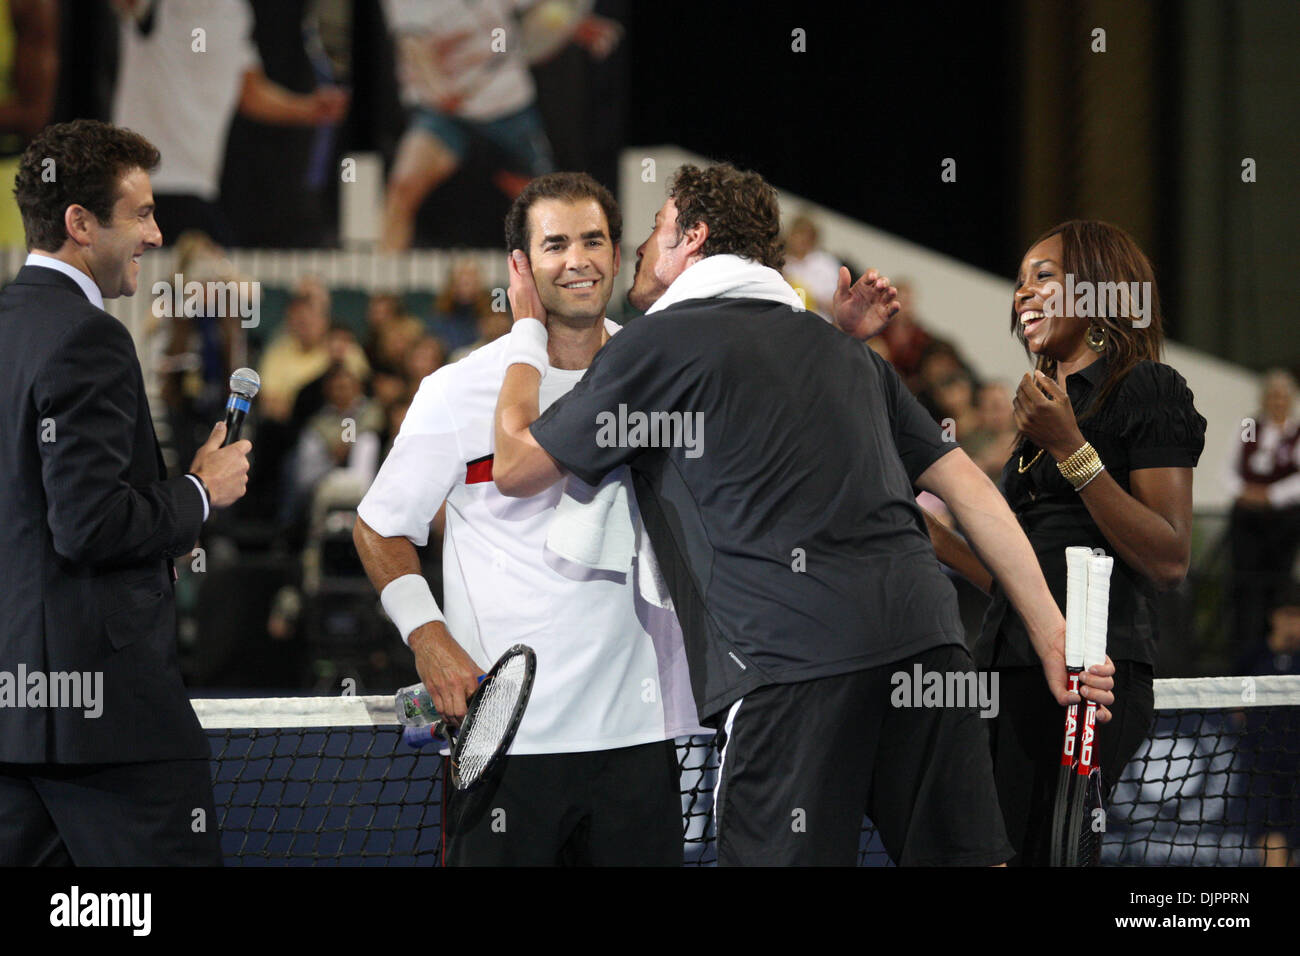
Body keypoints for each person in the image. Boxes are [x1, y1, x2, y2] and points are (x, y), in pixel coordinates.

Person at [491, 162, 1114, 866]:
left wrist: (525, 332)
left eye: (657, 229)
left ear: (691, 240)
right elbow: (968, 488)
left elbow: (515, 467)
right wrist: (1052, 630)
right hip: (929, 646)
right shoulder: (844, 354)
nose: (637, 248)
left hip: (791, 669)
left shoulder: (655, 344)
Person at [354, 172, 704, 865]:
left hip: (639, 740)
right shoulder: (457, 391)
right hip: (511, 743)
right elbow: (379, 526)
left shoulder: (663, 375)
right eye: (556, 244)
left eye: (594, 240)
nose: (579, 260)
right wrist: (428, 638)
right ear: (520, 265)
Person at [0, 119, 252, 864]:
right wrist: (199, 494)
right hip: (104, 726)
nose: (155, 232)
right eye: (140, 213)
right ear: (80, 223)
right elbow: (88, 523)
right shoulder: (90, 337)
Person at [924, 219, 1206, 865]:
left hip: (1088, 675)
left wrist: (1070, 449)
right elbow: (1019, 580)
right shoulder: (1040, 420)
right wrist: (938, 543)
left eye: (1044, 276)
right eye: (1019, 281)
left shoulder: (1145, 388)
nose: (1023, 294)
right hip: (1005, 666)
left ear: (1101, 292)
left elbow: (1168, 556)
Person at [1223, 369, 1300, 669]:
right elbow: (1229, 467)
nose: (1278, 401)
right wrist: (1245, 492)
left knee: (1276, 587)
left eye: (1283, 396)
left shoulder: (1296, 433)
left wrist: (1272, 496)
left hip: (1283, 524)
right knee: (1244, 588)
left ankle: (1276, 659)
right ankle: (1242, 659)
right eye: (1273, 395)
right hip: (1248, 522)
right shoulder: (1250, 427)